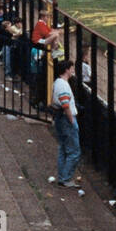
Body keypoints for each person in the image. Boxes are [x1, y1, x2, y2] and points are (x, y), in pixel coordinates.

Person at [51, 58, 81, 188]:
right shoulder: (63, 85)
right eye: (71, 68)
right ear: (66, 70)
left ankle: (62, 177)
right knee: (74, 152)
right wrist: (72, 120)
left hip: (60, 119)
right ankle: (66, 179)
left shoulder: (57, 83)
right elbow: (65, 104)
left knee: (63, 149)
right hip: (66, 120)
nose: (73, 70)